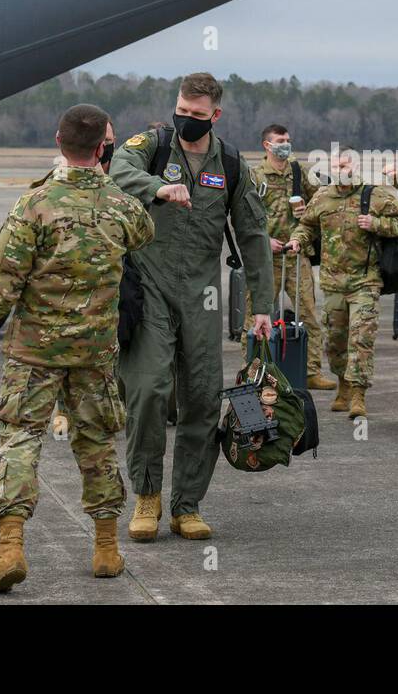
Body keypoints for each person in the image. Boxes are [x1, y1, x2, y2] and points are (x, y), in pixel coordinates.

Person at [0, 104, 154, 594]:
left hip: (34, 354)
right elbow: (145, 234)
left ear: (58, 142)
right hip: (95, 351)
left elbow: (1, 285)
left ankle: (12, 548)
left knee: (21, 440)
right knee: (97, 443)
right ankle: (106, 547)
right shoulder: (124, 207)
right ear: (103, 148)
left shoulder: (35, 204)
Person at [110, 73, 274, 541]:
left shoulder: (233, 165)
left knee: (202, 397)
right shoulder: (154, 144)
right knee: (147, 391)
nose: (186, 118)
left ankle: (187, 504)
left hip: (202, 295)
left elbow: (253, 234)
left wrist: (261, 304)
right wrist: (157, 187)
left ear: (215, 116)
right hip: (150, 286)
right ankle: (146, 496)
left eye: (197, 114)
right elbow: (120, 167)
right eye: (183, 109)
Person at [288, 147, 398, 418]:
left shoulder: (374, 195)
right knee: (335, 342)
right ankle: (342, 384)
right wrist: (298, 240)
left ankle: (358, 395)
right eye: (336, 166)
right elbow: (306, 225)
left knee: (361, 339)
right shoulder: (322, 197)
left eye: (345, 165)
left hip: (365, 282)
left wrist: (377, 223)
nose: (341, 171)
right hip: (332, 283)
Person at [242, 124, 332, 391]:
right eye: (281, 140)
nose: (286, 144)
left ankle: (312, 370)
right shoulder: (255, 175)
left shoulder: (297, 170)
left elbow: (319, 201)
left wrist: (306, 217)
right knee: (255, 317)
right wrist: (262, 240)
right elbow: (243, 215)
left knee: (308, 315)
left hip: (295, 255)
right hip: (265, 258)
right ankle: (253, 369)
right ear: (267, 145)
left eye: (288, 140)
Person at [51, 119, 117, 439]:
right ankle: (64, 415)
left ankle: (99, 417)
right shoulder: (54, 185)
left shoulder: (117, 184)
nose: (108, 145)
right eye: (106, 139)